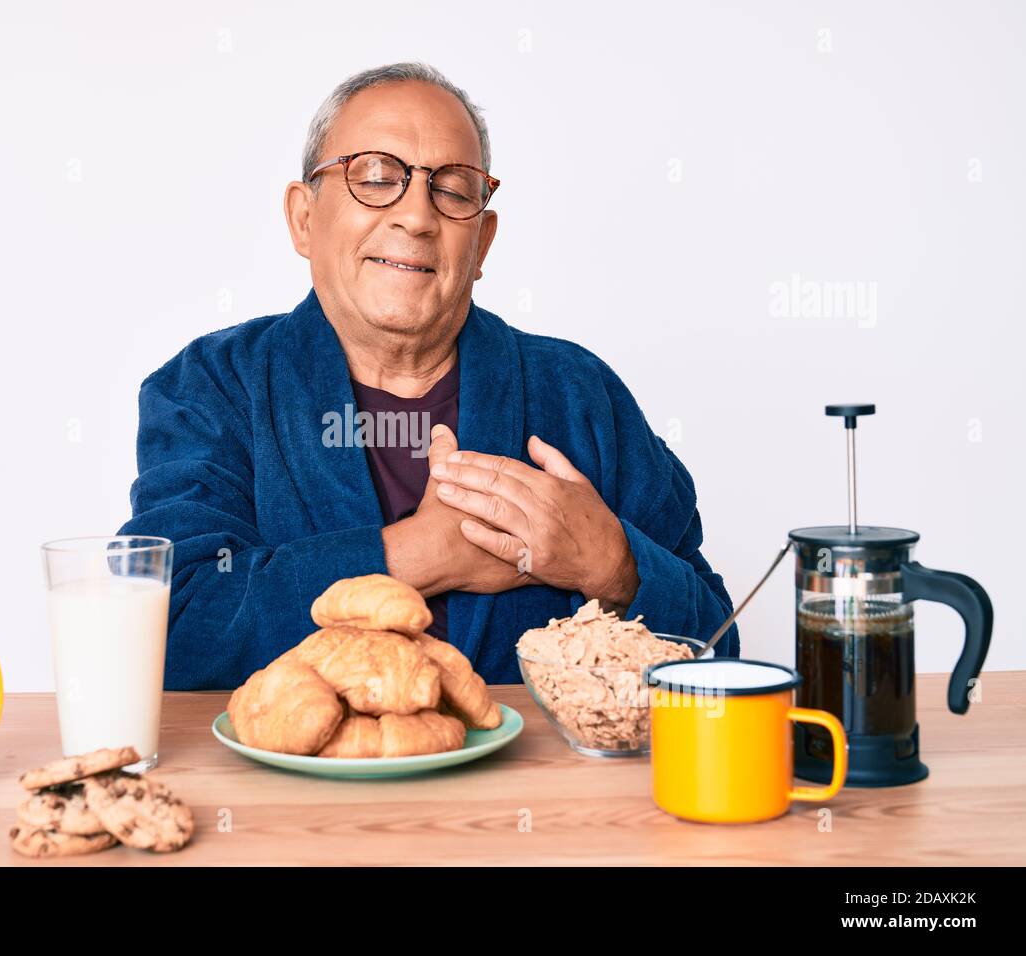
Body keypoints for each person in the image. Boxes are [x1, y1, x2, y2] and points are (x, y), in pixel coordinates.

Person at [120, 62, 737, 689]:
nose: (417, 217)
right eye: (377, 177)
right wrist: (422, 553)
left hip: (535, 785)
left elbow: (719, 644)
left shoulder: (578, 392)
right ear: (304, 218)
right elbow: (168, 628)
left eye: (454, 189)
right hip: (292, 784)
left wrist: (612, 563)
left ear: (483, 243)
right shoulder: (212, 387)